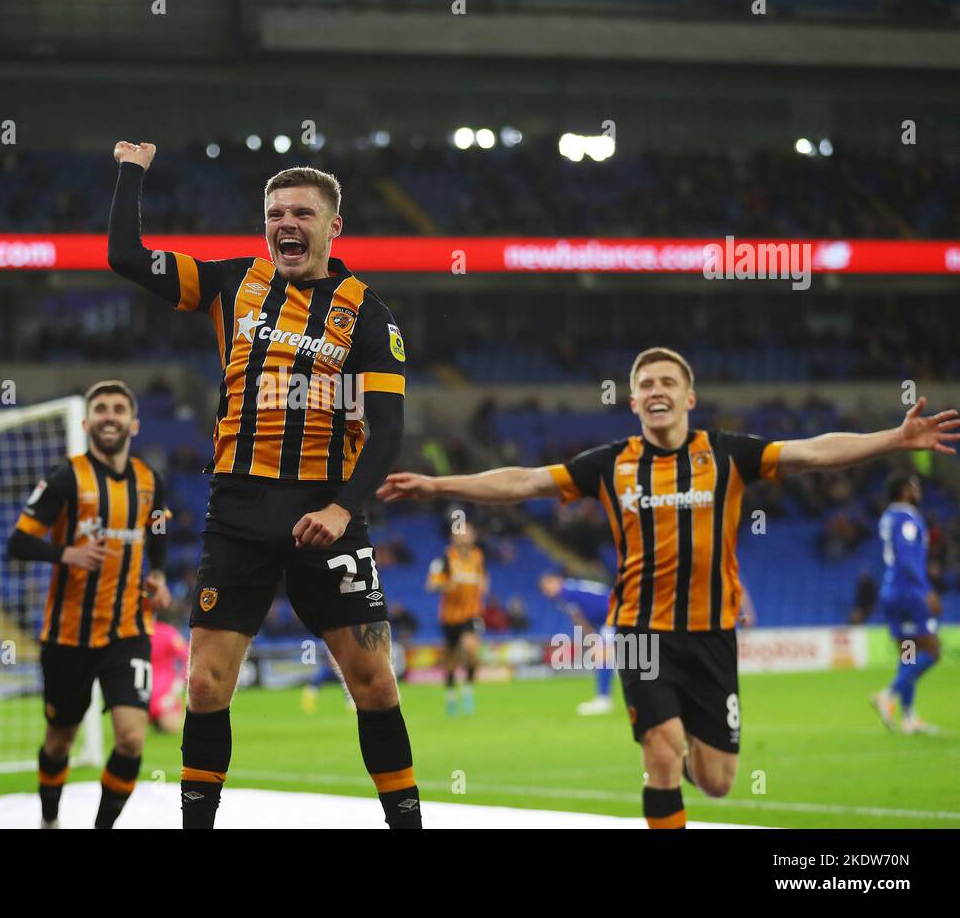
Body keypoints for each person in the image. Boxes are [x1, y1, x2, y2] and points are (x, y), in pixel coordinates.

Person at [381, 346, 958, 828]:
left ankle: (690, 756)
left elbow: (814, 452)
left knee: (717, 781)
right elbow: (522, 481)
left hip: (711, 635)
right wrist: (438, 485)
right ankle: (666, 753)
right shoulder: (609, 464)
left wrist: (892, 439)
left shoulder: (728, 455)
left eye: (668, 382)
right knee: (660, 751)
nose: (657, 390)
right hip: (640, 632)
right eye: (646, 384)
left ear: (689, 397)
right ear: (633, 402)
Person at [108, 141, 420, 828]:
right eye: (275, 212)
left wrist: (343, 509)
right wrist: (132, 171)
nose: (287, 222)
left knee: (373, 683)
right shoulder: (230, 283)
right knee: (204, 684)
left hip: (326, 514)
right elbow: (126, 258)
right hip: (239, 512)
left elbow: (388, 432)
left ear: (333, 226)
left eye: (303, 212)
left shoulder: (367, 313)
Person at [7, 381, 173, 829]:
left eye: (119, 408)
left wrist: (156, 577)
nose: (109, 415)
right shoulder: (65, 478)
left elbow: (157, 535)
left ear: (133, 423)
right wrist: (67, 553)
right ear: (86, 423)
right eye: (100, 408)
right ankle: (49, 820)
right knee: (60, 740)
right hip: (67, 635)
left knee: (132, 741)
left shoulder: (149, 480)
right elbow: (18, 541)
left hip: (128, 631)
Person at [871, 474, 941, 734]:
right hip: (909, 592)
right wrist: (926, 591)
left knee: (908, 654)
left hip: (891, 591)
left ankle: (909, 716)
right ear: (903, 491)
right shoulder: (908, 518)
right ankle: (888, 694)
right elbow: (907, 556)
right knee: (933, 651)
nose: (918, 490)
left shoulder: (888, 517)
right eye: (914, 486)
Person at [426, 523, 488, 716]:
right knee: (451, 658)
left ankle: (468, 690)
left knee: (470, 649)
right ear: (454, 537)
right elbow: (431, 585)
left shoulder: (478, 557)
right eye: (462, 533)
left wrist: (483, 590)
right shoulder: (445, 559)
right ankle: (451, 694)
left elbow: (483, 577)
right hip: (449, 617)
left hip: (471, 614)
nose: (466, 536)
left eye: (469, 532)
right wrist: (446, 585)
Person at [539, 572, 615, 715]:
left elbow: (579, 618)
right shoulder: (572, 586)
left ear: (556, 580)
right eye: (544, 589)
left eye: (547, 586)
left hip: (613, 614)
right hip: (610, 613)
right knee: (607, 655)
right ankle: (604, 698)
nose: (546, 591)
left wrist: (591, 638)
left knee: (603, 655)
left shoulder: (565, 594)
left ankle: (604, 699)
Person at [149, 618, 189, 734]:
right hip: (160, 693)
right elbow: (187, 656)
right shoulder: (168, 633)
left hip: (149, 690)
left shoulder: (162, 633)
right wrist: (180, 683)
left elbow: (187, 656)